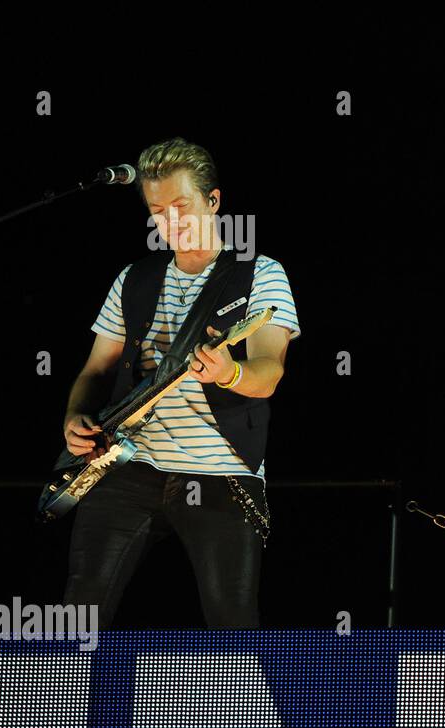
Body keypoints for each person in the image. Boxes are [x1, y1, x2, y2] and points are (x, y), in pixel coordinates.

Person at [61, 137, 300, 628]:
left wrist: (229, 372)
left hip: (220, 471)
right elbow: (95, 370)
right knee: (78, 614)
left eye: (181, 205)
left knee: (232, 620)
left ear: (214, 202)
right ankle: (59, 708)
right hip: (127, 464)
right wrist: (73, 417)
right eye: (157, 210)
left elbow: (269, 371)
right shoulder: (134, 279)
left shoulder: (259, 274)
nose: (170, 221)